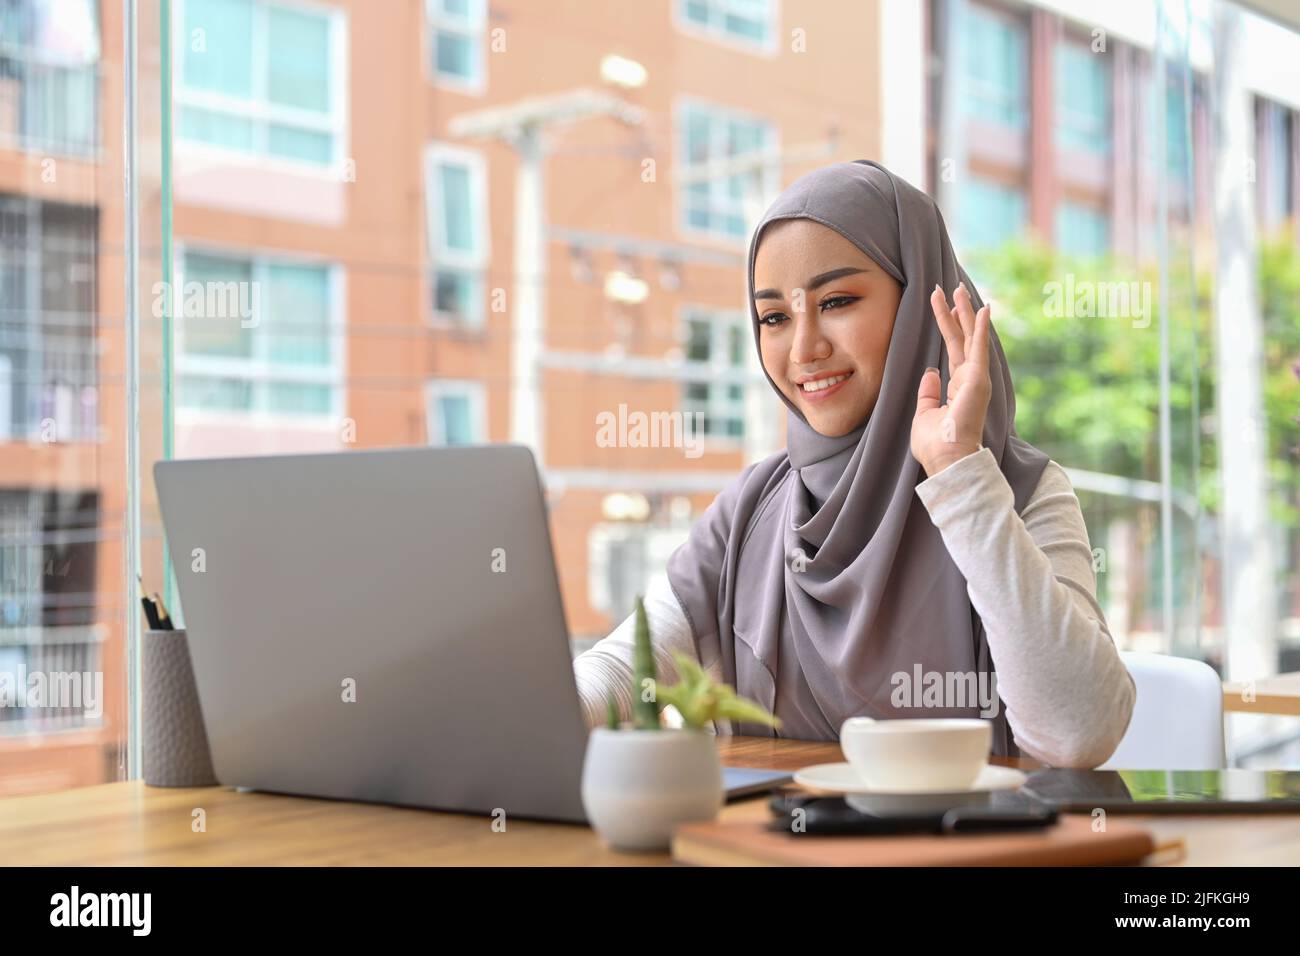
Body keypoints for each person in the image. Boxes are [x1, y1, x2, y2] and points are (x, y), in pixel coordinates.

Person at [573, 160, 1135, 769]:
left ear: (923, 303)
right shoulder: (757, 506)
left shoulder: (1018, 487)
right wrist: (520, 716)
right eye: (775, 318)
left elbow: (1079, 731)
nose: (805, 348)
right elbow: (625, 668)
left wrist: (960, 477)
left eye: (837, 300)